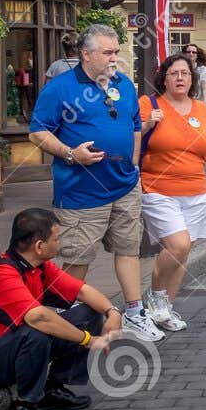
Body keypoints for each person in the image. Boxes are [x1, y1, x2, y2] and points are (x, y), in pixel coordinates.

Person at [27, 23, 163, 343]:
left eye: (116, 51)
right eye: (107, 52)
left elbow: (133, 127)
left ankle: (134, 311)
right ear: (86, 54)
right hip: (82, 191)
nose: (114, 58)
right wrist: (70, 154)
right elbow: (37, 132)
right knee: (78, 258)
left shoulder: (124, 84)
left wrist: (133, 165)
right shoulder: (60, 88)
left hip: (125, 185)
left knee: (128, 249)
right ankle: (69, 319)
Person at [0, 208, 123, 410]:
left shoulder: (39, 267)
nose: (59, 243)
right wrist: (89, 341)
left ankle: (53, 388)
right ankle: (24, 405)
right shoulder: (2, 274)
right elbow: (38, 317)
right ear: (39, 246)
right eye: (56, 238)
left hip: (11, 347)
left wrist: (113, 312)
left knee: (88, 313)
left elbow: (81, 291)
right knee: (35, 331)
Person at [138, 53, 206, 332]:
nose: (180, 78)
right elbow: (129, 139)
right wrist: (146, 125)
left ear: (192, 79)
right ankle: (154, 296)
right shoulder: (148, 104)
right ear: (163, 78)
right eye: (174, 73)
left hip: (196, 191)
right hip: (158, 189)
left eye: (185, 74)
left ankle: (166, 309)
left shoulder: (201, 109)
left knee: (184, 251)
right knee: (177, 245)